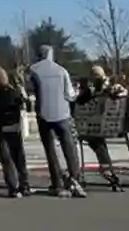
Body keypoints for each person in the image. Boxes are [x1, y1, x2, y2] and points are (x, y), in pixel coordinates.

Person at [29, 45, 86, 197]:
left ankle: (57, 182)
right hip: (62, 113)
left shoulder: (33, 70)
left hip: (43, 113)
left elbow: (28, 92)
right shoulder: (61, 70)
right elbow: (69, 95)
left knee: (50, 149)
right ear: (50, 54)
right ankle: (75, 178)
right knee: (68, 146)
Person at [0, 63, 31, 198]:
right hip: (13, 126)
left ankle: (13, 186)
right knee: (18, 156)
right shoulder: (13, 92)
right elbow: (23, 104)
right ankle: (24, 184)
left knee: (6, 157)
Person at [76, 65, 127, 180]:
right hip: (104, 123)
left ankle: (106, 167)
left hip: (105, 123)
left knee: (94, 139)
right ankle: (106, 166)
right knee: (97, 140)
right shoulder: (100, 87)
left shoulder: (107, 86)